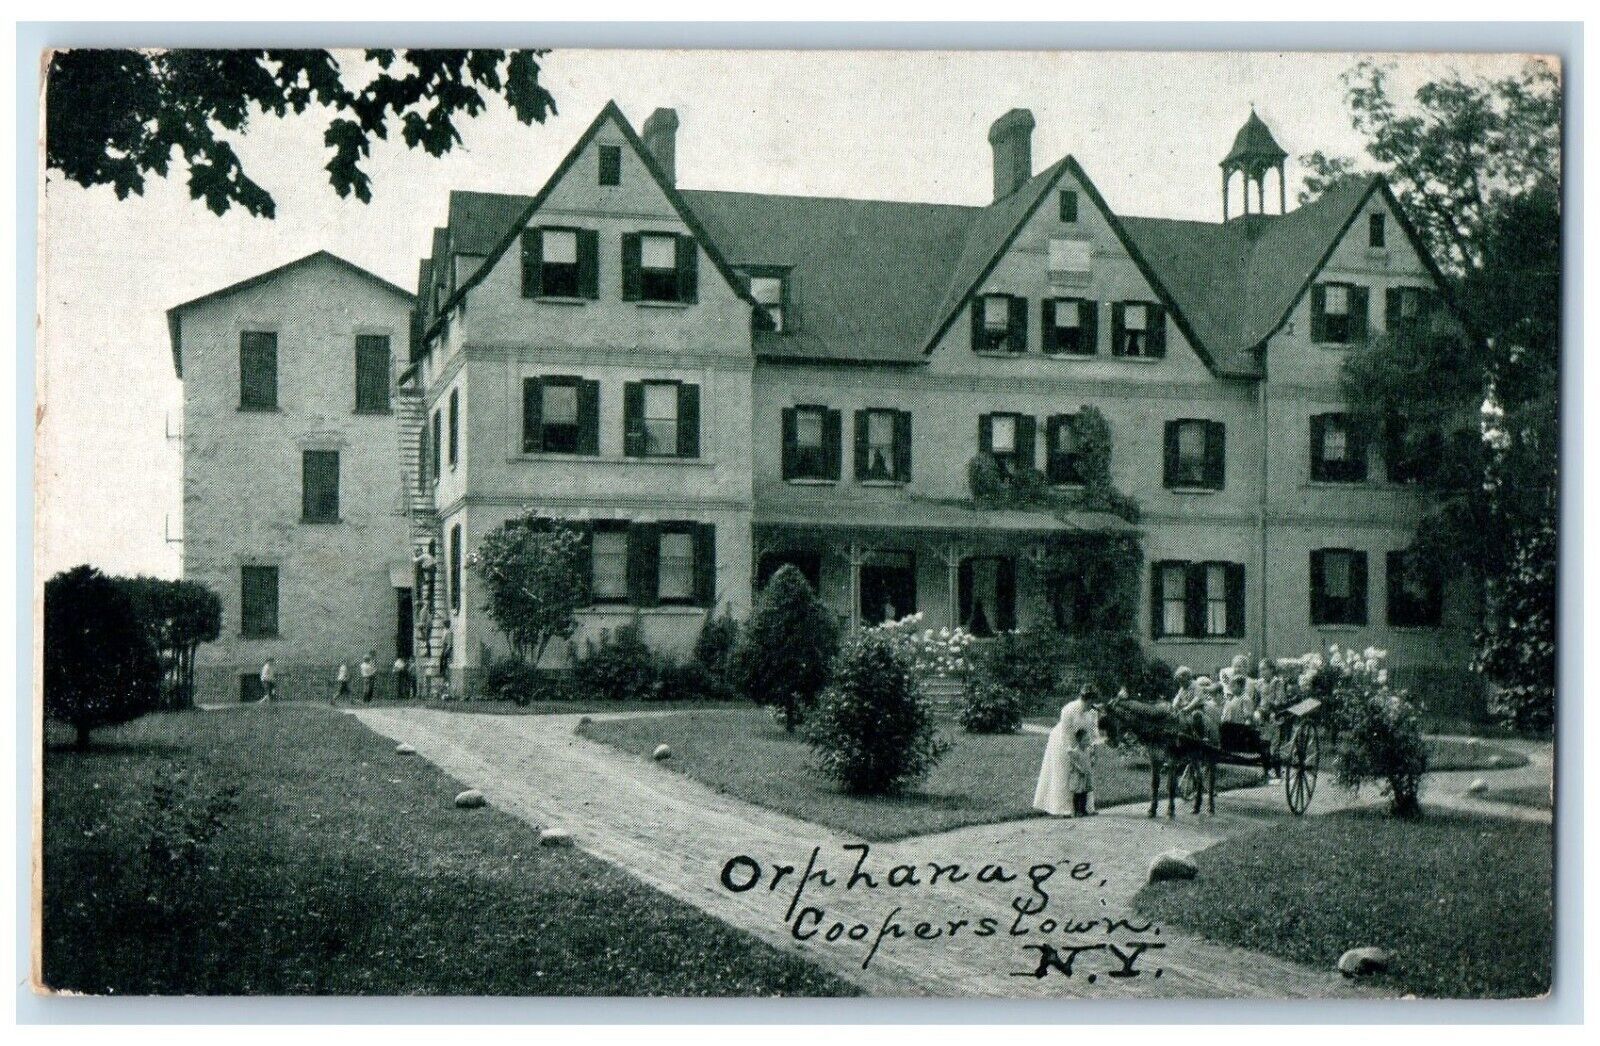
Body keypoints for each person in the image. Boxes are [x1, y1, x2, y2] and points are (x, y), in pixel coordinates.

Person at [1032, 702, 1075, 816]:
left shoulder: (1092, 713)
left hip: (1078, 741)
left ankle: (1079, 806)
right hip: (1062, 740)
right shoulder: (1068, 710)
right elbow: (1065, 733)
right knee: (1060, 773)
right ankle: (1059, 806)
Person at [1068, 727, 1096, 817]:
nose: (1087, 742)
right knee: (1077, 793)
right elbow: (1073, 762)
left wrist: (1092, 761)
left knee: (1085, 792)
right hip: (1078, 775)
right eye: (1085, 740)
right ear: (1079, 741)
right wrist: (1079, 769)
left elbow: (1089, 760)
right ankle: (1076, 810)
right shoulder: (1075, 751)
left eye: (1088, 740)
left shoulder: (1088, 750)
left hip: (1086, 774)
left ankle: (1083, 810)